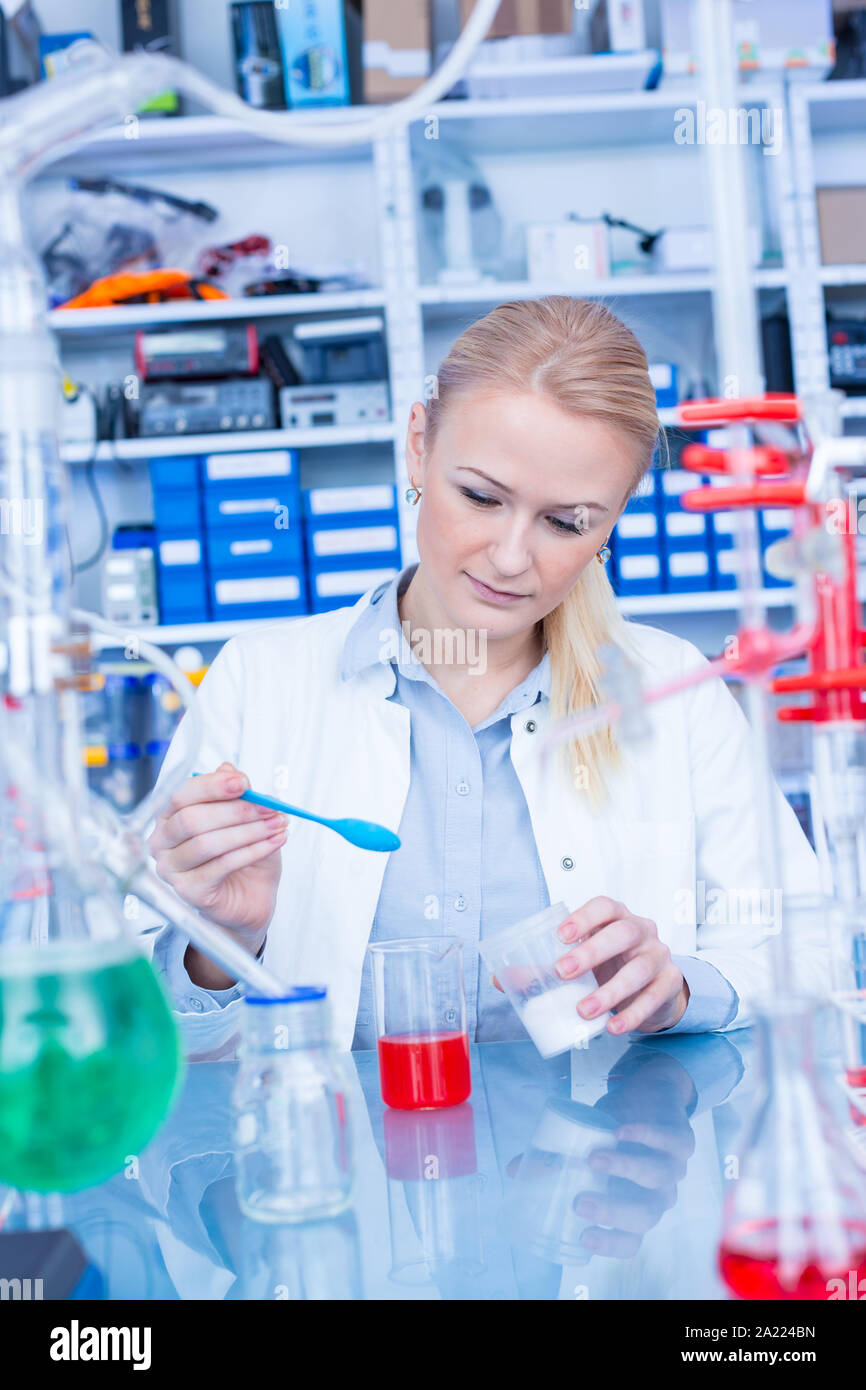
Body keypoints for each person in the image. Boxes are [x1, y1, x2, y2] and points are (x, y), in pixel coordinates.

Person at [144, 296, 824, 1053]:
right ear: (417, 445)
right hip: (343, 1166)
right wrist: (220, 942)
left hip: (616, 1163)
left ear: (614, 521)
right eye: (480, 496)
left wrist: (682, 987)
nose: (509, 558)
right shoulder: (261, 682)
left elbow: (805, 945)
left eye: (567, 522)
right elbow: (149, 1029)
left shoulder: (675, 692)